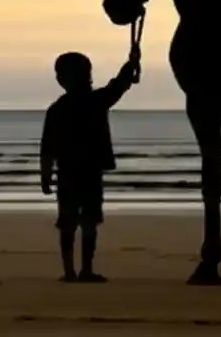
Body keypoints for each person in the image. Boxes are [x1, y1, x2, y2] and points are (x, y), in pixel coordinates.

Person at [40, 48, 140, 282]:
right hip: (89, 171)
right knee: (87, 222)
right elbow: (119, 86)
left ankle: (70, 271)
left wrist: (45, 176)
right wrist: (130, 66)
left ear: (62, 78)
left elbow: (47, 148)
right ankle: (84, 269)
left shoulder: (58, 109)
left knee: (69, 221)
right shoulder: (95, 101)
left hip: (68, 172)